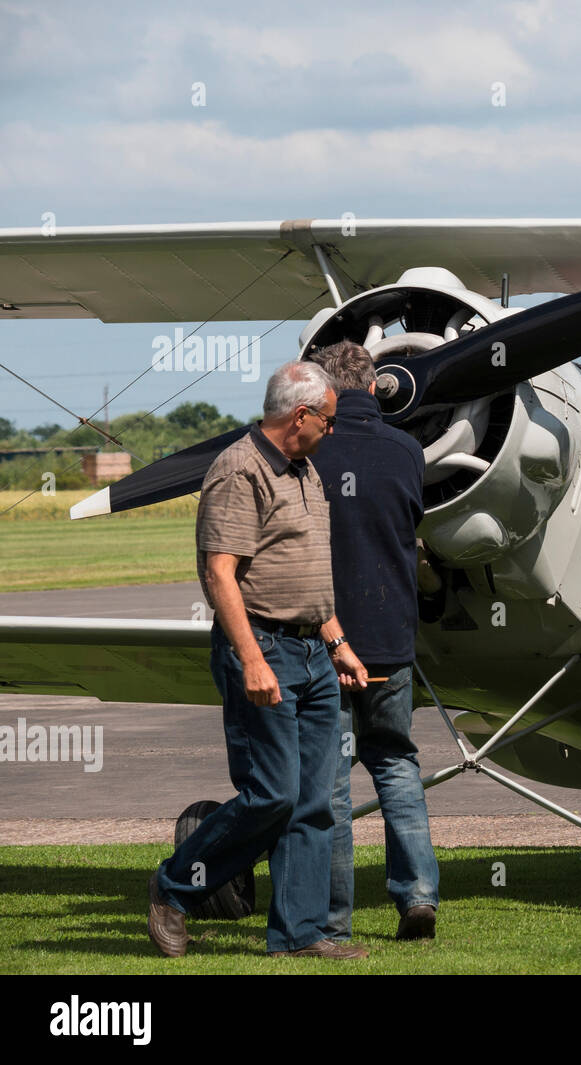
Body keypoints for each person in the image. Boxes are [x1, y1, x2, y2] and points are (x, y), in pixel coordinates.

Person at [147, 360, 371, 959]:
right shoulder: (238, 470)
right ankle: (173, 889)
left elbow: (306, 572)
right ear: (300, 416)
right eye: (328, 419)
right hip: (263, 647)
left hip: (314, 654)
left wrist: (337, 642)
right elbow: (220, 574)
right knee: (272, 794)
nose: (332, 430)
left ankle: (299, 936)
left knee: (313, 800)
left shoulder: (306, 471)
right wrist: (251, 659)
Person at [308, 340, 441, 940]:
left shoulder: (309, 451)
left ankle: (334, 918)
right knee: (395, 763)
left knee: (331, 784)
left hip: (325, 642)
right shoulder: (409, 450)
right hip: (392, 639)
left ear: (328, 390)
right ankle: (417, 896)